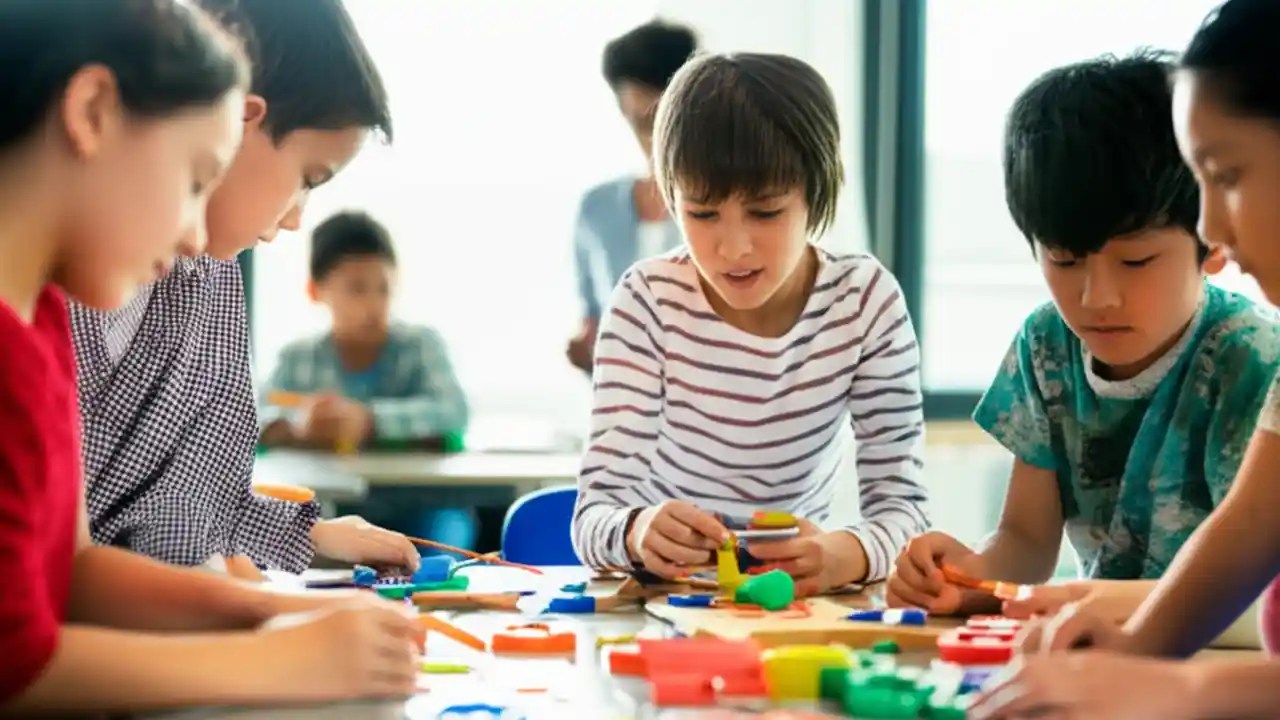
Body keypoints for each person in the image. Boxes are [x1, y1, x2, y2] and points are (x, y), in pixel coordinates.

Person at [0, 1, 416, 712]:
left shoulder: (37, 322)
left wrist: (272, 615)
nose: (195, 240)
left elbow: (71, 573)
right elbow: (17, 664)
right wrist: (279, 660)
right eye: (196, 177)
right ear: (94, 110)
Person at [886, 51, 1280, 625]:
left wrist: (1077, 602)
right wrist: (968, 578)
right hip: (1108, 642)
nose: (1098, 298)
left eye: (1137, 260)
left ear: (1213, 240)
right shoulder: (1046, 345)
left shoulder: (1251, 360)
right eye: (1065, 260)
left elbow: (1253, 593)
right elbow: (1026, 541)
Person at [969, 2, 1280, 718]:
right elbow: (1245, 533)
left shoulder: (1251, 351)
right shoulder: (1044, 343)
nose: (1209, 227)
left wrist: (1173, 684)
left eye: (1226, 174)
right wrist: (1131, 657)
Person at [71, 0, 420, 574]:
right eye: (307, 179)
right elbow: (72, 552)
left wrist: (309, 536)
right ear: (238, 120)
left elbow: (183, 503)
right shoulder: (52, 287)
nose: (294, 218)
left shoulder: (208, 277)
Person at [571, 52, 929, 596]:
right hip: (665, 599)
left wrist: (846, 554)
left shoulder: (864, 301)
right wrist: (636, 529)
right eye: (702, 213)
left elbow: (905, 511)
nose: (733, 248)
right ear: (671, 199)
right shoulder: (648, 301)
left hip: (791, 603)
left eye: (765, 213)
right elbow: (593, 516)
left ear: (817, 192)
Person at [260, 210, 477, 550]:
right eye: (356, 289)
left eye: (384, 288)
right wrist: (298, 427)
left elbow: (455, 411)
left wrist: (369, 421)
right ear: (315, 291)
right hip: (329, 513)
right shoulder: (297, 358)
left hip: (422, 508)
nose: (374, 304)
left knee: (440, 545)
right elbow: (252, 415)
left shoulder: (421, 346)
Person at [566, 19, 698, 373]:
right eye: (641, 123)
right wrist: (588, 353)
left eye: (665, 120)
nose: (657, 141)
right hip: (626, 406)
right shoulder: (596, 210)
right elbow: (594, 320)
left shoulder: (730, 205)